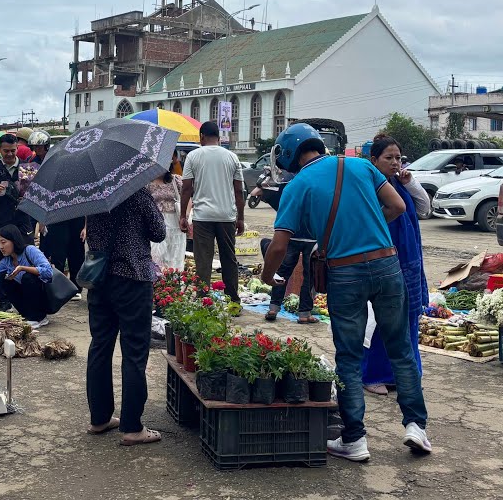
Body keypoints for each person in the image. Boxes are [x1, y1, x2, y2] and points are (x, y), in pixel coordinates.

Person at [262, 123, 430, 462]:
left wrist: (268, 275)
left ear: (290, 154)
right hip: (387, 265)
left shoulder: (298, 185)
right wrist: (371, 228)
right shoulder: (361, 165)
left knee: (350, 359)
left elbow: (280, 244)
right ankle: (416, 427)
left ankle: (354, 439)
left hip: (345, 272)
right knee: (401, 349)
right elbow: (397, 206)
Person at [83, 186, 165, 446]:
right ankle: (132, 427)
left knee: (100, 346)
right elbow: (159, 233)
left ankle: (99, 418)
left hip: (99, 279)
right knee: (134, 351)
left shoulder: (92, 195)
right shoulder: (137, 193)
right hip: (132, 278)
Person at [362, 135, 430, 395]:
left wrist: (410, 183)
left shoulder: (400, 185)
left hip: (409, 261)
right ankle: (373, 375)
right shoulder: (369, 187)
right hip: (383, 261)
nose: (394, 163)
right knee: (384, 319)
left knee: (409, 318)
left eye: (398, 158)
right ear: (373, 160)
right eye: (388, 158)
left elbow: (424, 208)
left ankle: (402, 374)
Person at [179, 121, 245, 303]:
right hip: (226, 216)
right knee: (229, 259)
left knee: (203, 261)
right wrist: (240, 218)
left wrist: (183, 216)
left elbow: (186, 189)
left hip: (203, 217)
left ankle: (203, 300)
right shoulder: (232, 157)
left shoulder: (193, 156)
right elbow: (239, 191)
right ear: (219, 137)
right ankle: (233, 299)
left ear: (202, 137)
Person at [0, 226, 56, 328]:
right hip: (26, 298)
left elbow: (48, 272)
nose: (1, 247)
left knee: (28, 277)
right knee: (5, 280)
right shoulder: (6, 261)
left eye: (3, 242)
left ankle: (39, 317)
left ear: (14, 241)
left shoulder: (30, 250)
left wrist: (23, 268)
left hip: (45, 296)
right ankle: (26, 314)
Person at [0, 134, 33, 272]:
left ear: (17, 148)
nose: (10, 154)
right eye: (6, 151)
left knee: (26, 258)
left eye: (13, 150)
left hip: (22, 221)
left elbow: (36, 194)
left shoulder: (26, 168)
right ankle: (1, 292)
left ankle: (25, 291)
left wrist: (27, 198)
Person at [146, 165, 185, 272]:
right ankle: (158, 283)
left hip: (174, 222)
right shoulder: (147, 182)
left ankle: (173, 284)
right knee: (155, 253)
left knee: (174, 254)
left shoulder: (176, 180)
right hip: (155, 222)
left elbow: (186, 198)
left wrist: (185, 217)